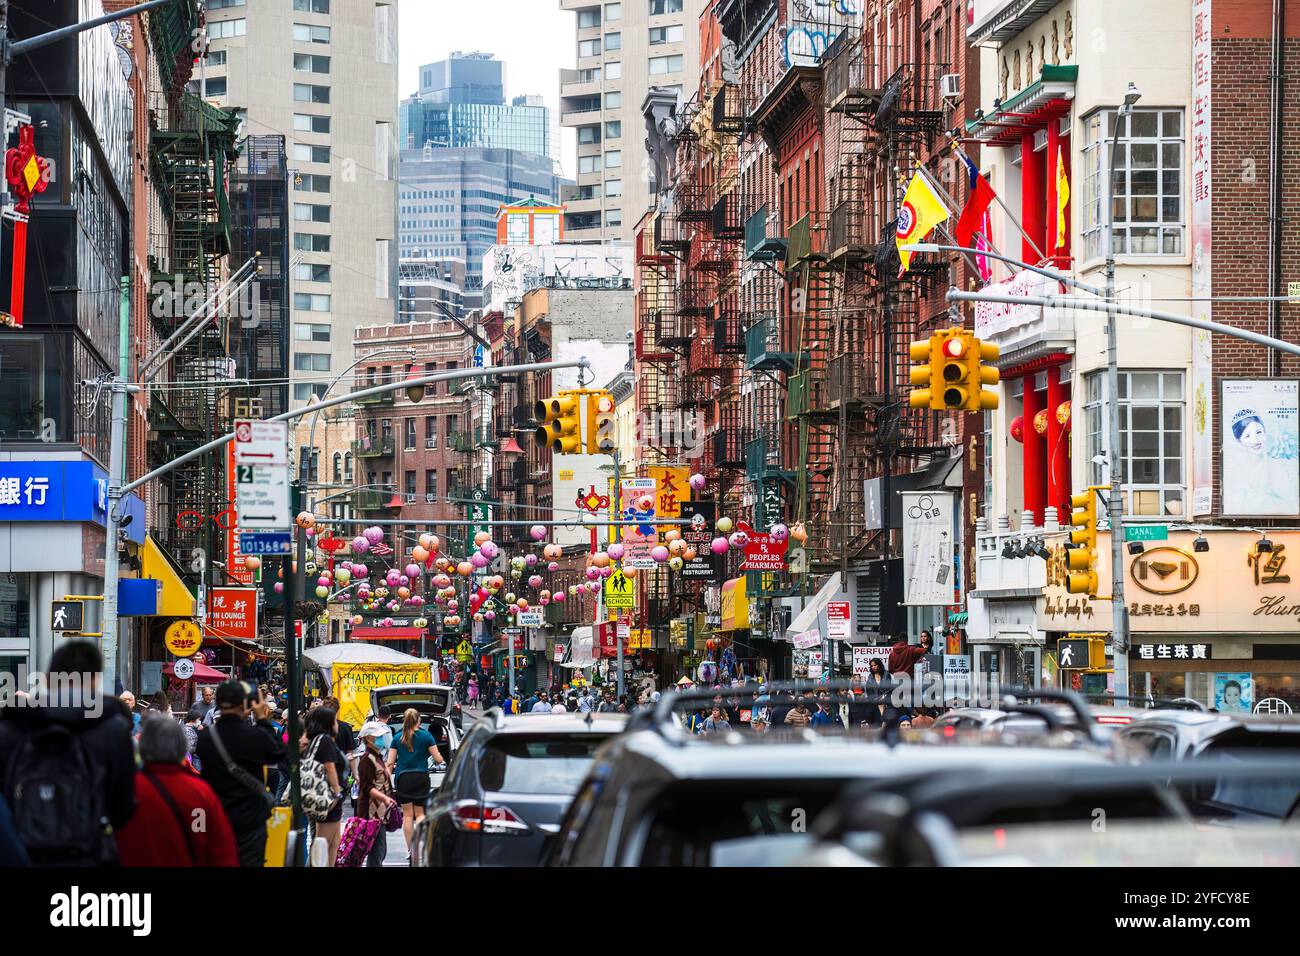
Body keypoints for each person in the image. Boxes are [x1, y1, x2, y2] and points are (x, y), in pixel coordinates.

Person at [0, 640, 136, 866]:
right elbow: (122, 808)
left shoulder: (12, 726)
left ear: (47, 678)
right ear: (94, 680)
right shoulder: (112, 730)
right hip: (88, 856)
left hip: (20, 854)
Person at [116, 715, 239, 867]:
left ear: (142, 745)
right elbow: (222, 852)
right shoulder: (200, 792)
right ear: (182, 746)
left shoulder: (126, 789)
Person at [195, 680, 286, 867]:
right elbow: (277, 752)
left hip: (217, 818)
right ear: (245, 705)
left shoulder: (206, 738)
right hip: (250, 819)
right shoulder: (255, 736)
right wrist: (262, 719)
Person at [387, 709, 445, 863]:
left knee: (407, 815)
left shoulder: (397, 737)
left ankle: (410, 850)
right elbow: (438, 759)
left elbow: (390, 763)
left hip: (403, 779)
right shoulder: (427, 736)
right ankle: (421, 847)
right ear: (418, 721)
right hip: (421, 777)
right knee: (420, 814)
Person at [302, 706, 346, 866]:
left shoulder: (317, 741)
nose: (337, 724)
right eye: (334, 720)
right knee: (321, 845)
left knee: (333, 843)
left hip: (325, 797)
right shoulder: (325, 740)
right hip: (328, 797)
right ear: (327, 723)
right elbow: (329, 767)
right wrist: (337, 792)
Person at [355, 721, 397, 868]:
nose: (380, 740)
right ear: (368, 738)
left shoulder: (377, 757)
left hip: (380, 812)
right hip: (370, 812)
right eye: (376, 737)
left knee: (379, 850)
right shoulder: (366, 759)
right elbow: (366, 787)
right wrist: (385, 798)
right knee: (376, 852)